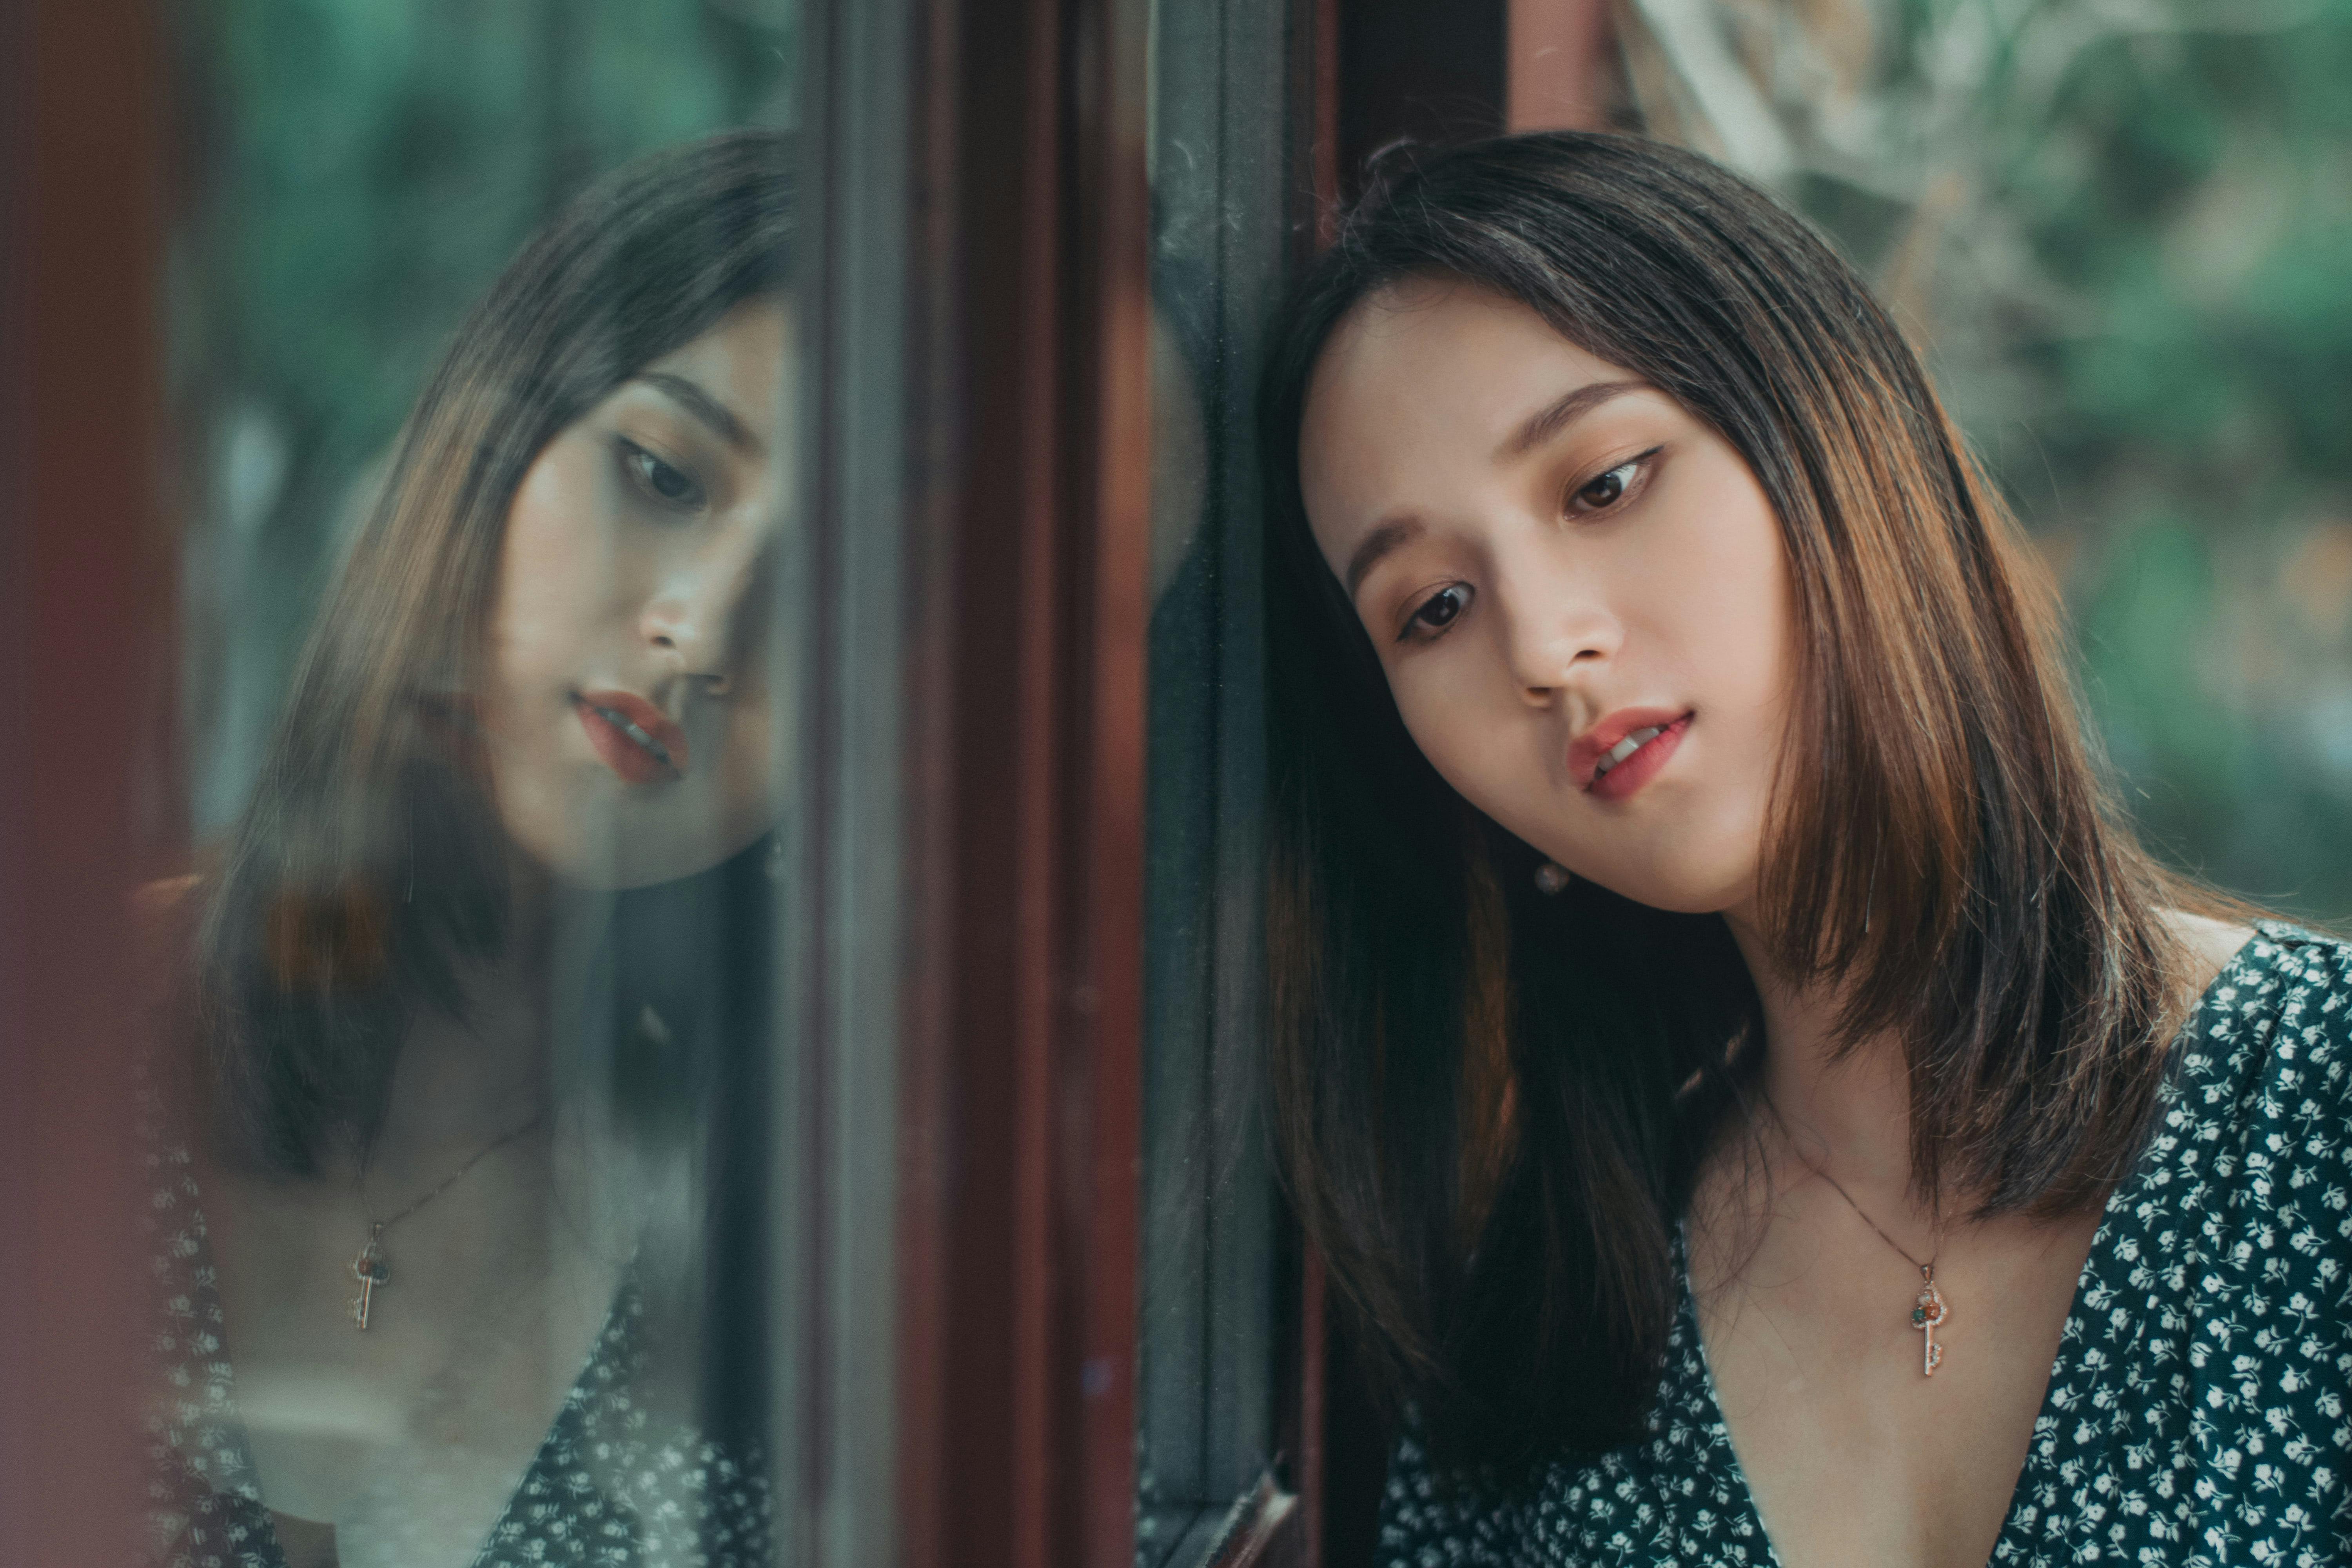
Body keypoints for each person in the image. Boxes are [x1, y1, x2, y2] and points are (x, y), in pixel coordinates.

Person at [1260, 131, 2351, 1568]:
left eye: (1604, 484)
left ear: (1838, 448)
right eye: (1433, 608)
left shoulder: (2315, 1125)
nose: (1545, 647)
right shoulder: (1540, 1347)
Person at [146, 130, 794, 1568]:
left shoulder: (766, 1247)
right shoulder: (60, 1040)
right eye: (664, 476)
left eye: (826, 582)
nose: (699, 629)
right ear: (490, 456)